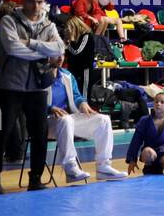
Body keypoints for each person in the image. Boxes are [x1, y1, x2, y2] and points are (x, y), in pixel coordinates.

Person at [0, 0, 65, 194]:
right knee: (0, 132)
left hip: (37, 89)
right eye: (32, 1)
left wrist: (30, 43)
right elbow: (13, 48)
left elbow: (60, 48)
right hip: (8, 88)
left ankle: (36, 177)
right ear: (23, 0)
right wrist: (44, 52)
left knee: (39, 135)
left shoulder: (48, 24)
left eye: (40, 1)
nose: (36, 6)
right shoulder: (8, 20)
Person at [47, 53, 126, 182]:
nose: (61, 57)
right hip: (46, 122)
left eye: (62, 54)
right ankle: (70, 168)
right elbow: (32, 102)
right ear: (47, 54)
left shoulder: (67, 75)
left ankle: (103, 167)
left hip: (68, 119)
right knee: (66, 120)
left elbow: (77, 96)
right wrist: (50, 108)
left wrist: (82, 103)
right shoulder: (39, 75)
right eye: (56, 54)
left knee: (103, 120)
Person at [126, 92, 164, 175]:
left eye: (162, 102)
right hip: (150, 152)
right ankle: (149, 167)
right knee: (148, 152)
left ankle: (160, 165)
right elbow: (136, 141)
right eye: (156, 101)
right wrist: (132, 159)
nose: (158, 104)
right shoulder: (144, 121)